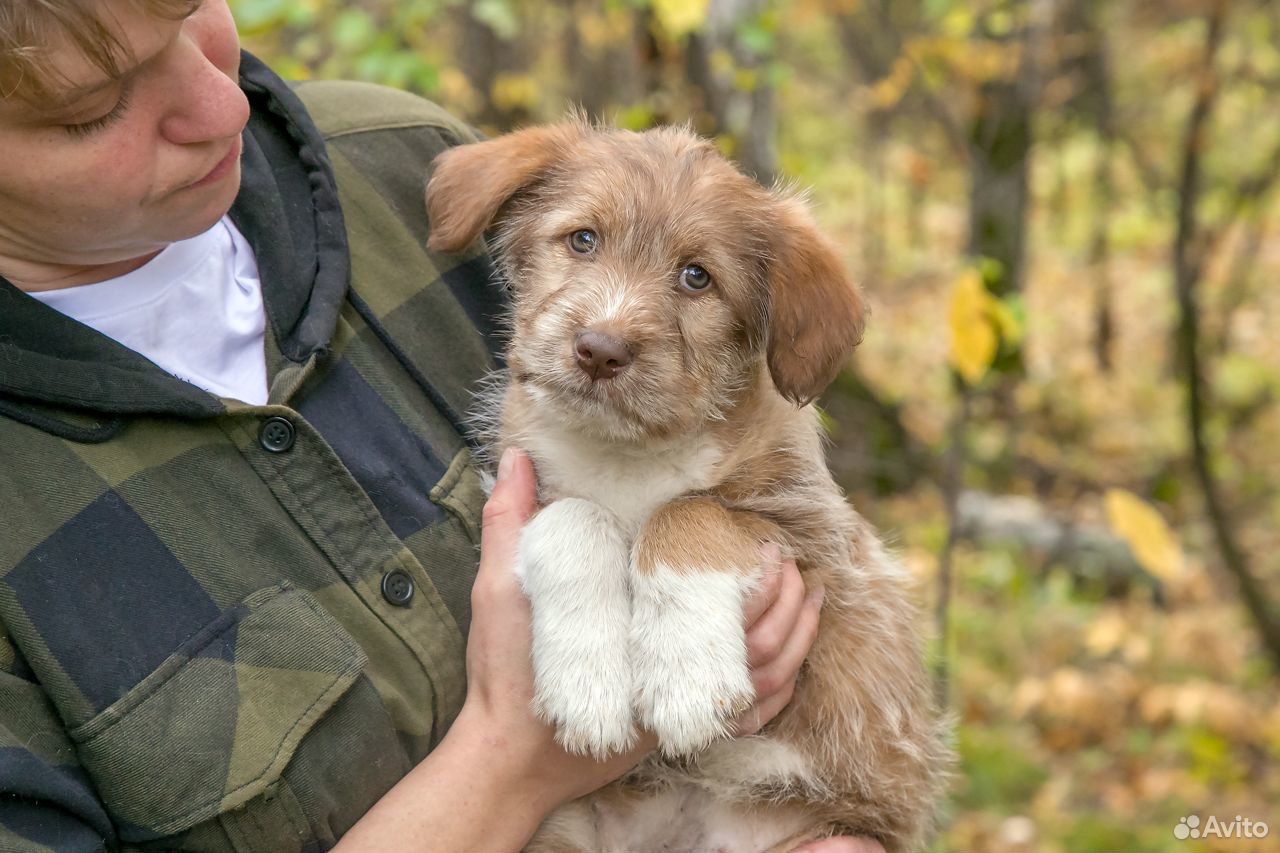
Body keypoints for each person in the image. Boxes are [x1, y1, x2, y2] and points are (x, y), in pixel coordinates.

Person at [0, 2, 884, 851]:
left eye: (191, 11)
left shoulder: (397, 161)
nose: (220, 102)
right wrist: (510, 759)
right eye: (94, 106)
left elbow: (775, 481)